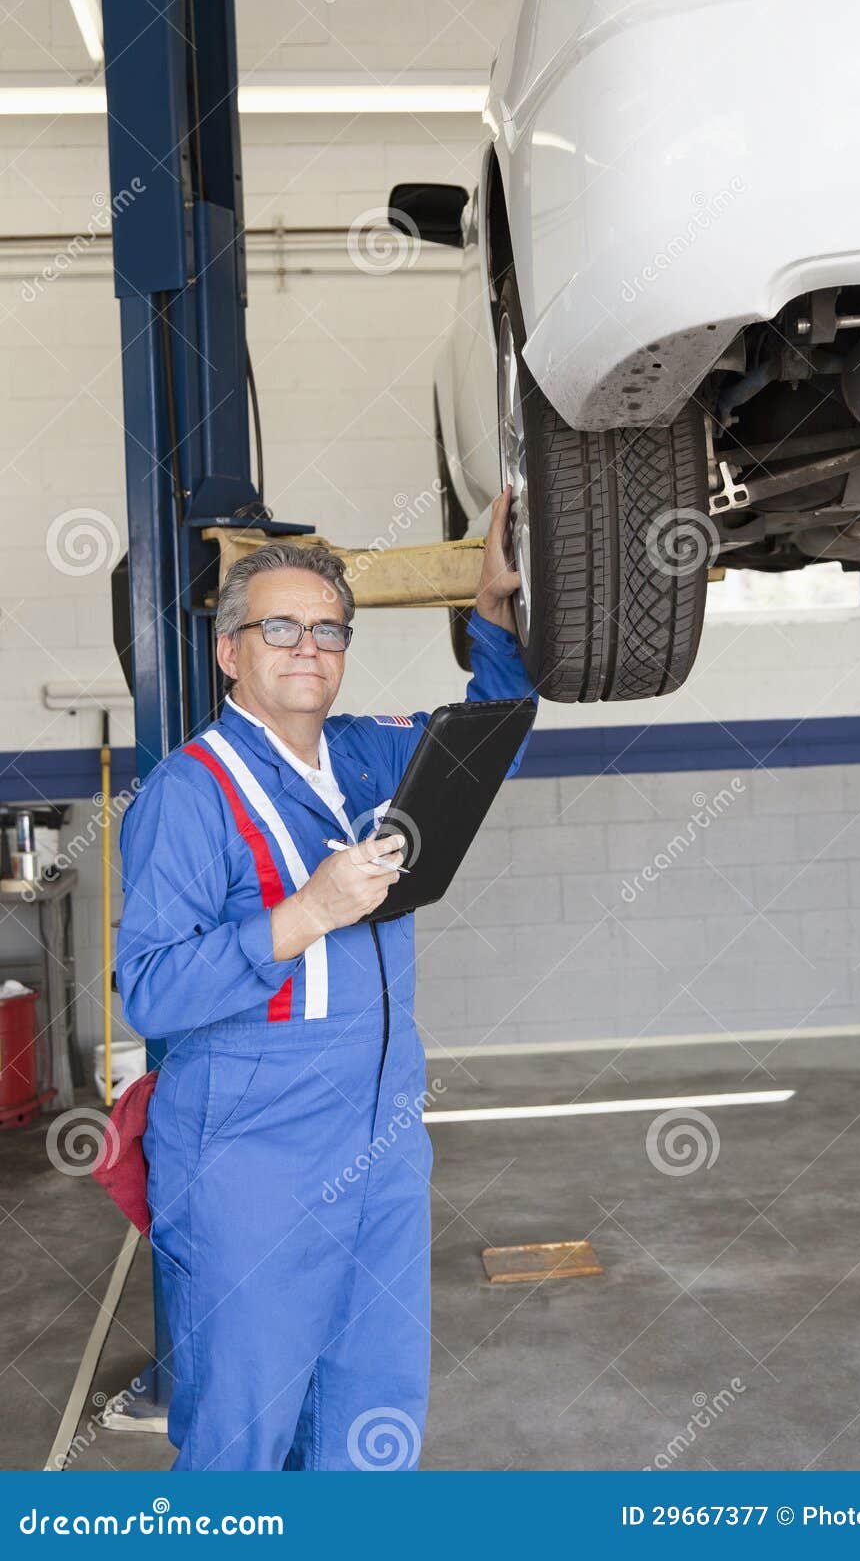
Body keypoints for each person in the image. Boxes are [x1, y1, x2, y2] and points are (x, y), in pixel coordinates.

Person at [114, 489, 536, 1471]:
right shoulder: (187, 793)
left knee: (369, 1415)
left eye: (328, 630)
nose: (308, 646)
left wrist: (494, 610)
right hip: (252, 1150)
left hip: (381, 1130)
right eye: (280, 627)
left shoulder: (362, 755)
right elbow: (152, 990)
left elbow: (485, 740)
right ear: (231, 651)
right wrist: (306, 912)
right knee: (244, 1432)